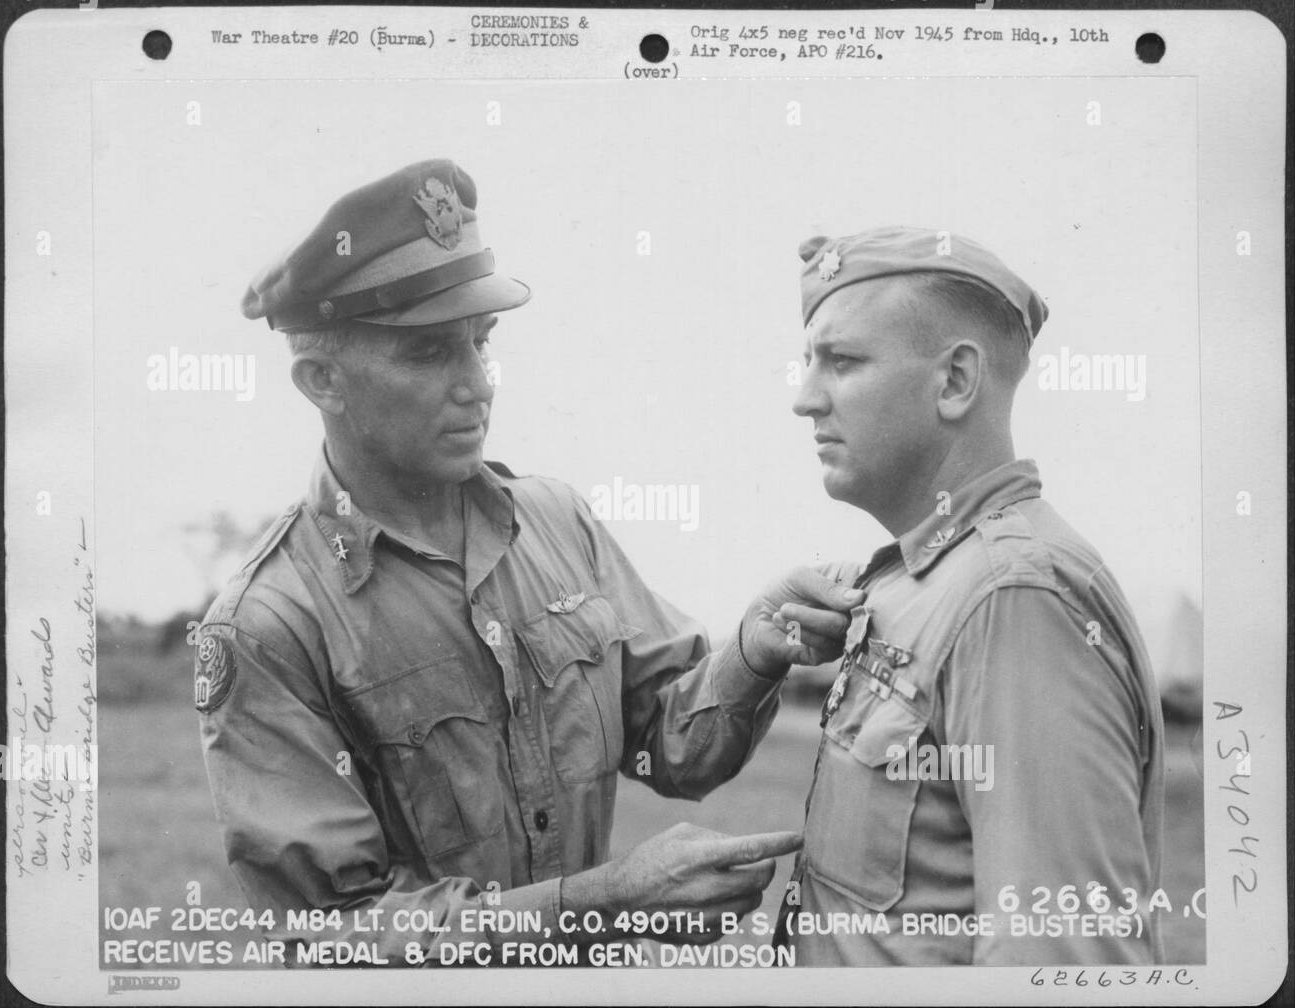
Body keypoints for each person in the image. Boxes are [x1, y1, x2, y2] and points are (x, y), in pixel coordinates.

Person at [195, 158, 861, 966]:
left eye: (481, 342)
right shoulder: (269, 624)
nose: (478, 384)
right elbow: (330, 937)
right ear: (322, 380)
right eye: (430, 353)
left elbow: (672, 743)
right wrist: (601, 905)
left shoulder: (556, 522)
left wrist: (756, 648)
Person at [777, 227, 1165, 965]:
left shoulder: (1014, 596)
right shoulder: (925, 577)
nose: (804, 399)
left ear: (955, 381)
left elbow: (1062, 967)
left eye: (843, 361)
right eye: (808, 363)